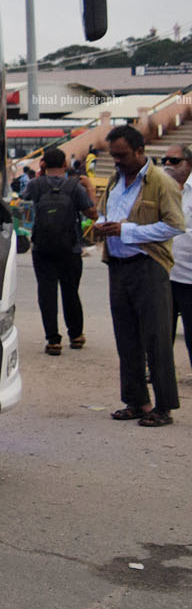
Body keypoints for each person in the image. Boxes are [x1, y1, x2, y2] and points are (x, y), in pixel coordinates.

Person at [88, 125, 185, 427]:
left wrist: (126, 230)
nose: (117, 161)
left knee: (155, 338)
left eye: (122, 155)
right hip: (118, 265)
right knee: (126, 337)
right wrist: (103, 225)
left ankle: (164, 406)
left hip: (148, 266)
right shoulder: (116, 179)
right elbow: (106, 213)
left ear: (140, 151)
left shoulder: (160, 182)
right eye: (114, 156)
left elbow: (174, 225)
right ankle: (137, 401)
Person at [25, 146, 97, 354]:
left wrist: (39, 174)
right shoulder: (75, 187)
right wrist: (90, 189)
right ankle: (75, 335)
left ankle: (53, 340)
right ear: (65, 165)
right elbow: (92, 213)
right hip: (70, 248)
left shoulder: (35, 184)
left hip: (42, 248)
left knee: (46, 293)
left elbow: (24, 202)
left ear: (44, 164)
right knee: (70, 291)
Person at [166, 144, 192, 373]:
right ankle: (160, 371)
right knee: (162, 329)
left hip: (189, 275)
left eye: (174, 161)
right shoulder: (164, 189)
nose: (168, 165)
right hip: (164, 272)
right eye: (165, 160)